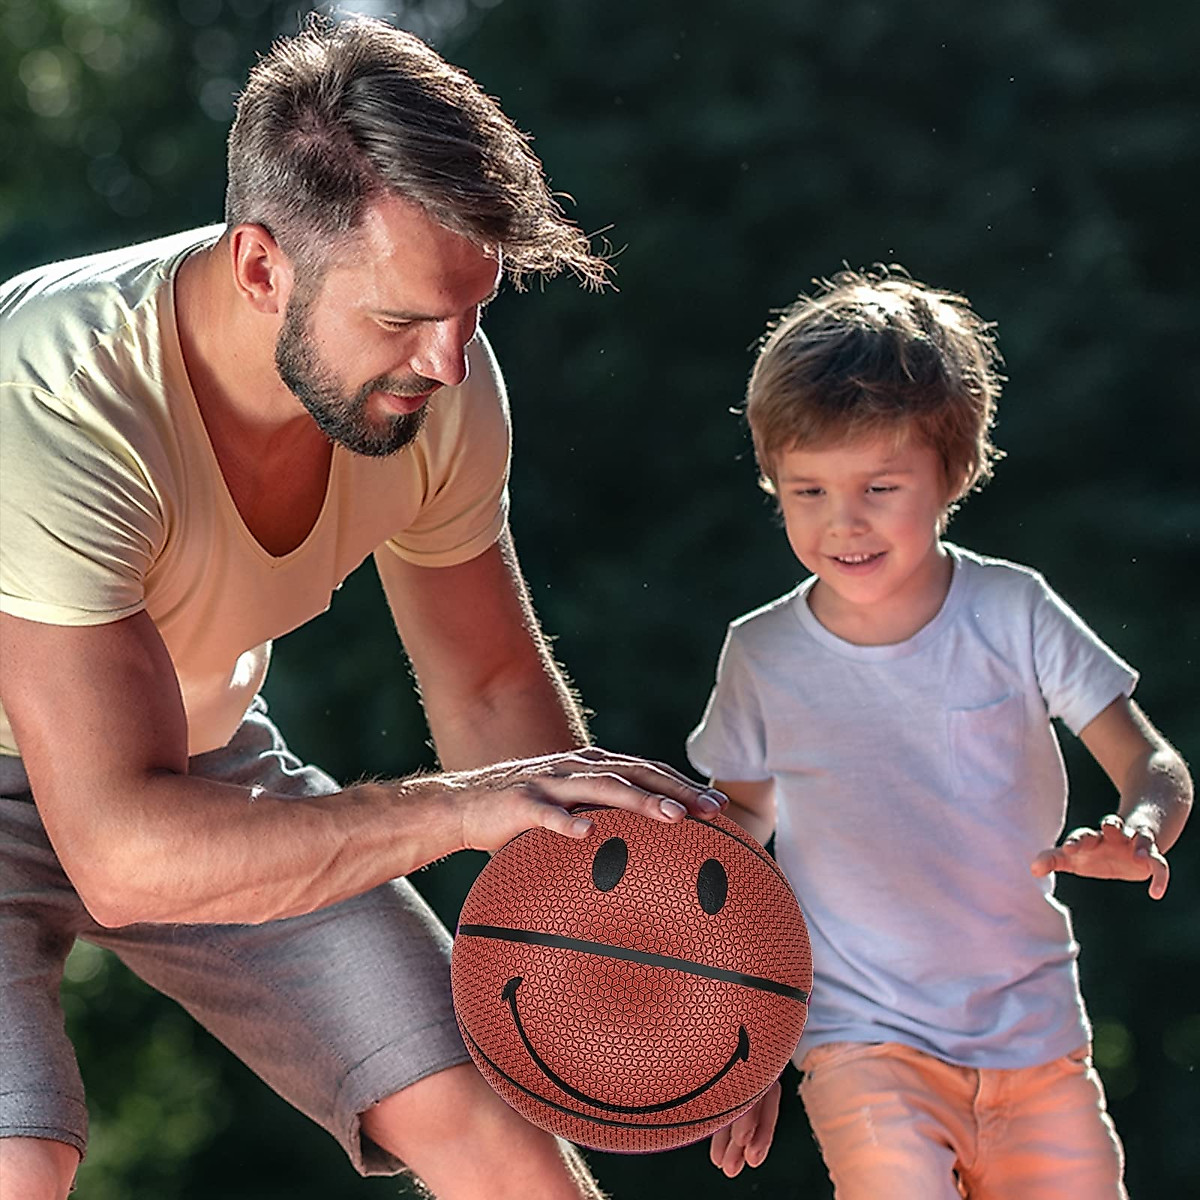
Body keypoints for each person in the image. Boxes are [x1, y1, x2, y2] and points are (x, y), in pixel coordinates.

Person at [0, 16, 727, 1200]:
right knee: (18, 1160)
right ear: (259, 267)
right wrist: (456, 813)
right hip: (104, 796)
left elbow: (491, 692)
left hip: (190, 757)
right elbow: (122, 857)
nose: (446, 364)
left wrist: (645, 985)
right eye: (400, 321)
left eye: (472, 310)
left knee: (501, 1140)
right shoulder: (62, 393)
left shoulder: (440, 381)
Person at [686, 266, 1192, 1198]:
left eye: (880, 485)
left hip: (1039, 1044)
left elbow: (1153, 762)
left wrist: (1142, 829)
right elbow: (738, 857)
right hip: (861, 1042)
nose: (844, 523)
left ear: (951, 471)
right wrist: (744, 1044)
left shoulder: (1015, 612)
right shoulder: (761, 656)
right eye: (807, 492)